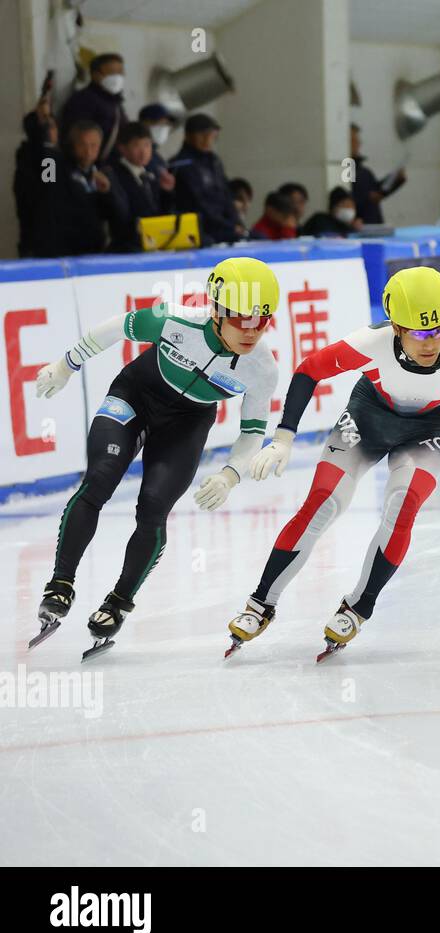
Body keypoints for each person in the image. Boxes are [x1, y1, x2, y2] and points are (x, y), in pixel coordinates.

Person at [225, 266, 440, 660]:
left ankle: (359, 607)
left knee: (403, 505)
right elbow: (309, 370)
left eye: (439, 329)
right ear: (394, 327)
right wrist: (284, 437)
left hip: (428, 426)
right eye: (419, 332)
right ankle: (260, 603)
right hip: (367, 416)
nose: (431, 342)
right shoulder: (369, 343)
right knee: (322, 501)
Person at [30, 257, 281, 659]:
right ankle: (61, 583)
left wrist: (231, 475)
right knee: (101, 478)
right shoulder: (176, 319)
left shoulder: (262, 367)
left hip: (187, 423)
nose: (251, 331)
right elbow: (115, 328)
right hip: (136, 396)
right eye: (241, 319)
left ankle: (118, 603)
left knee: (153, 507)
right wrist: (65, 365)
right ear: (216, 310)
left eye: (262, 320)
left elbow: (253, 431)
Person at [36, 119, 113, 257]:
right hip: (63, 250)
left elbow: (116, 213)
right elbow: (46, 181)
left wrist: (107, 192)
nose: (88, 151)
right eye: (82, 145)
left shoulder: (105, 172)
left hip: (94, 249)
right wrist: (49, 146)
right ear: (72, 145)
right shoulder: (58, 167)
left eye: (94, 145)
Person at [170, 113, 245, 244]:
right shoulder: (180, 165)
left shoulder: (214, 161)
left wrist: (236, 223)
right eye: (202, 135)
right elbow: (198, 202)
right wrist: (229, 226)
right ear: (188, 135)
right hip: (200, 230)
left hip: (224, 227)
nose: (207, 140)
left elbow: (226, 194)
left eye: (211, 136)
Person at [105, 121, 170, 252]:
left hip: (154, 243)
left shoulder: (152, 174)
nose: (143, 152)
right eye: (136, 146)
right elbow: (119, 216)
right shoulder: (113, 175)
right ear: (122, 148)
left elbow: (160, 212)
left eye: (147, 145)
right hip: (127, 248)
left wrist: (166, 192)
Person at [14, 93, 61, 257]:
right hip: (39, 242)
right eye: (50, 127)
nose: (55, 131)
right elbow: (50, 182)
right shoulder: (32, 158)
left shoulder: (50, 155)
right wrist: (46, 142)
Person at [59, 53, 128, 163]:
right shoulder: (83, 100)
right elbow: (76, 138)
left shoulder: (115, 102)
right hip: (90, 166)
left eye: (120, 72)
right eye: (112, 72)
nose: (118, 77)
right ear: (96, 75)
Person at [349, 123, 405, 225]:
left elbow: (378, 190)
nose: (359, 143)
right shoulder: (345, 170)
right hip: (360, 226)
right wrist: (368, 198)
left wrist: (395, 179)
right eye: (354, 140)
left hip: (375, 224)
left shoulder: (365, 172)